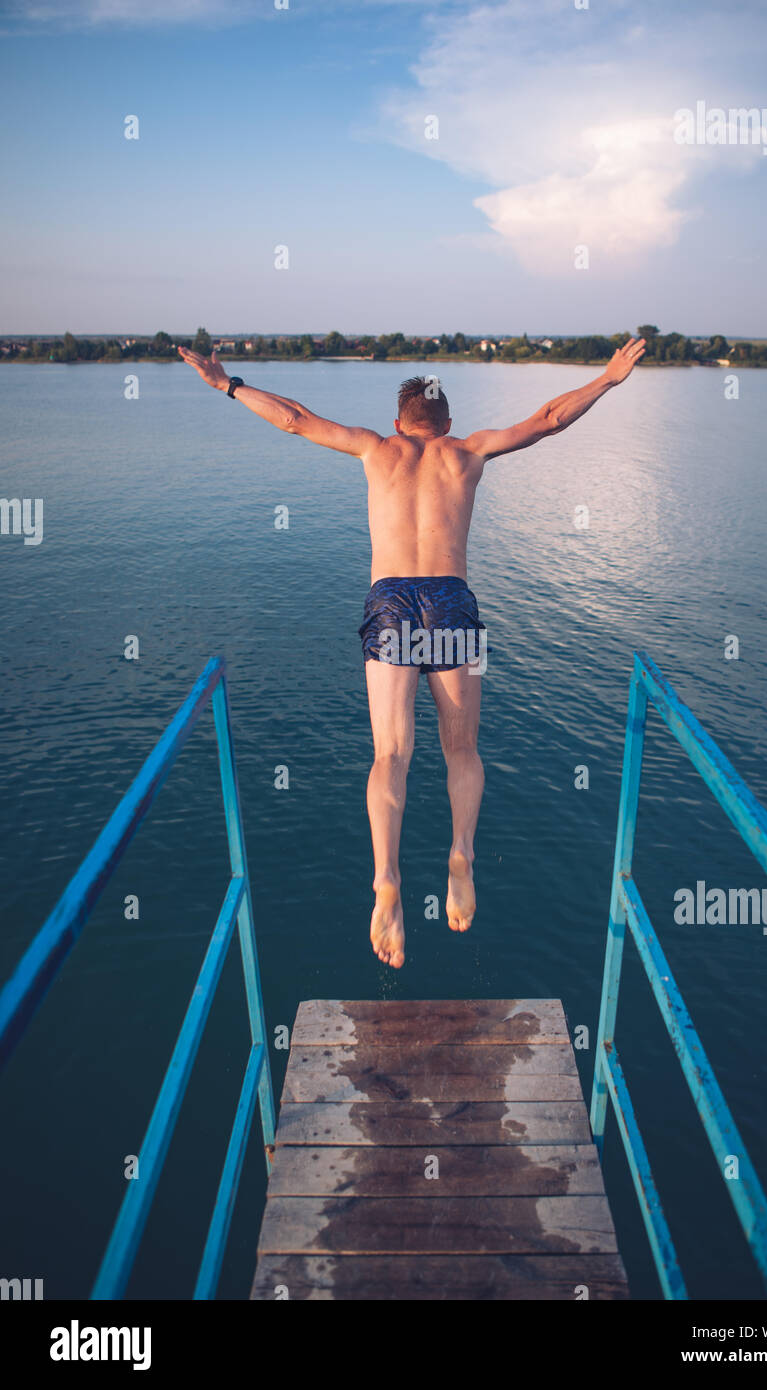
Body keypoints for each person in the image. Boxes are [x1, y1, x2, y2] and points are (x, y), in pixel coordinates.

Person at [178, 336, 646, 968]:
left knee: (391, 754)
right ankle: (461, 855)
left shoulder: (377, 448)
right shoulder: (469, 450)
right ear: (446, 423)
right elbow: (549, 420)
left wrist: (227, 384)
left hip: (392, 601)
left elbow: (294, 419)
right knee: (462, 750)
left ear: (400, 422)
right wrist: (609, 379)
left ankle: (386, 882)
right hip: (453, 601)